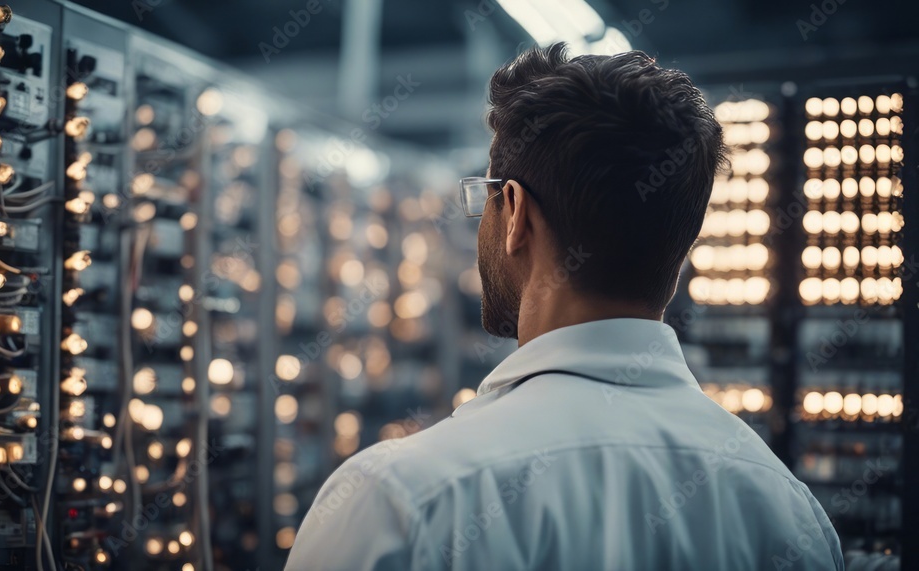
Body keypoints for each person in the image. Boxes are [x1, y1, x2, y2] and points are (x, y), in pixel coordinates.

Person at [286, 43, 843, 570]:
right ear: (682, 239)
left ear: (515, 212)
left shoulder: (398, 500)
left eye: (486, 197)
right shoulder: (787, 508)